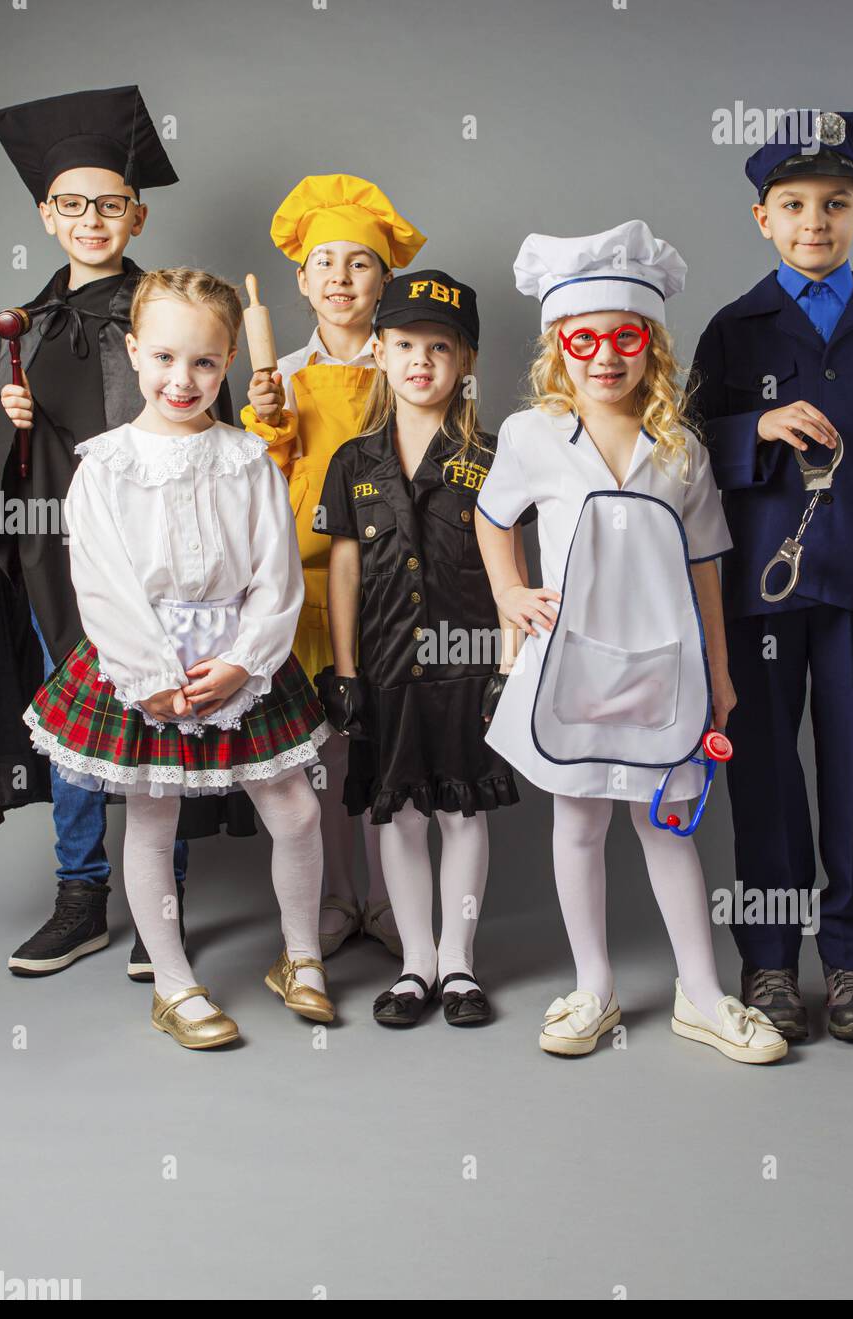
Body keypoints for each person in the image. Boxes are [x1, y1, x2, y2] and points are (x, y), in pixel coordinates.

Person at [476, 222, 787, 1064]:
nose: (605, 358)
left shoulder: (681, 450)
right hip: (567, 668)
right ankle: (593, 989)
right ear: (559, 349)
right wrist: (508, 591)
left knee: (668, 830)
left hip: (664, 669)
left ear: (649, 347)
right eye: (585, 340)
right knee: (575, 828)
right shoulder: (529, 436)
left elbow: (705, 568)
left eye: (625, 340)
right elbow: (492, 515)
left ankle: (700, 994)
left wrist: (719, 675)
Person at [0, 86, 252, 983]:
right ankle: (82, 896)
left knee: (158, 708)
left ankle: (157, 901)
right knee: (78, 713)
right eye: (74, 205)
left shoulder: (167, 315)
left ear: (139, 213)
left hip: (164, 560)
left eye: (111, 203)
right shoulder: (29, 324)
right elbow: (0, 469)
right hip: (59, 557)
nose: (94, 220)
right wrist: (10, 428)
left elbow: (209, 426)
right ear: (47, 216)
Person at [690, 111, 853, 1043]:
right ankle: (769, 962)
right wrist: (749, 431)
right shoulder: (734, 329)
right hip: (758, 593)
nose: (815, 220)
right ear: (761, 218)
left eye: (835, 204)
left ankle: (851, 961)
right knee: (761, 778)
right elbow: (681, 457)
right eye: (793, 204)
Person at [23, 269, 329, 1048]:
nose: (181, 379)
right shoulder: (107, 466)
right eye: (163, 358)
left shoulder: (248, 460)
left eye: (202, 362)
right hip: (144, 663)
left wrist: (244, 660)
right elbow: (101, 583)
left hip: (236, 657)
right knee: (154, 821)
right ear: (133, 353)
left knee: (293, 809)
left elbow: (276, 573)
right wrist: (151, 678)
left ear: (227, 362)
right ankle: (173, 980)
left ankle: (300, 956)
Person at [314, 271, 528, 1026]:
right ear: (377, 351)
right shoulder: (352, 462)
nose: (420, 362)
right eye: (403, 344)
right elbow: (343, 566)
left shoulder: (495, 456)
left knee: (462, 815)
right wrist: (343, 670)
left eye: (440, 348)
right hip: (384, 663)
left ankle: (460, 964)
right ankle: (414, 963)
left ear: (465, 362)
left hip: (468, 662)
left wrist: (510, 663)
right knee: (398, 813)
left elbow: (513, 572)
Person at [243, 174, 426, 960]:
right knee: (321, 754)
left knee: (388, 745)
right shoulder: (275, 376)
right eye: (326, 264)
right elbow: (253, 496)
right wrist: (268, 429)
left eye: (360, 263)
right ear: (300, 279)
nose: (342, 278)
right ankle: (337, 897)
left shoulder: (410, 368)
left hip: (389, 589)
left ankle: (390, 902)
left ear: (385, 278)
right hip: (301, 590)